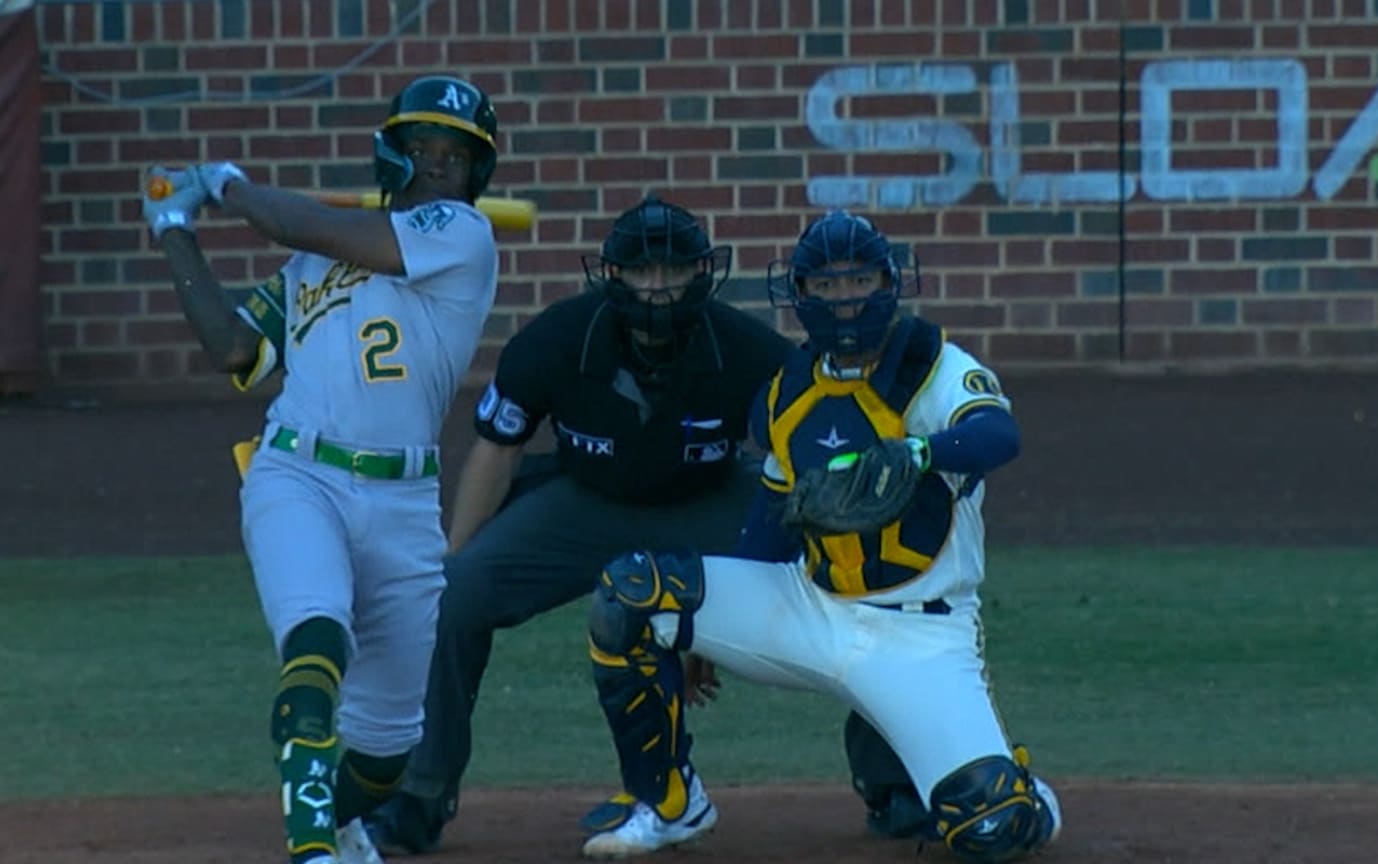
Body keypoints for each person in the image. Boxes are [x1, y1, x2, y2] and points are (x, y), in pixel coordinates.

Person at [576, 210, 1063, 861]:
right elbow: (772, 517)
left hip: (920, 632)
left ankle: (1026, 791)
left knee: (991, 827)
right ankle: (668, 803)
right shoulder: (789, 390)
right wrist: (704, 633)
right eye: (827, 284)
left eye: (858, 280)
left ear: (888, 283)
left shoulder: (932, 366)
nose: (844, 299)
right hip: (809, 607)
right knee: (633, 593)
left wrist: (917, 452)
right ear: (800, 293)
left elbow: (999, 436)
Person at [140, 75, 502, 864]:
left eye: (457, 154)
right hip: (297, 474)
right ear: (392, 155)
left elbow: (304, 224)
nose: (440, 164)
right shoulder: (315, 259)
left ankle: (333, 821)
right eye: (423, 147)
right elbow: (236, 351)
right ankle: (312, 851)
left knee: (387, 750)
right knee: (316, 642)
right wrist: (173, 227)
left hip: (405, 499)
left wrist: (229, 185)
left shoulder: (463, 236)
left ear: (478, 172)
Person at [362, 194, 793, 854]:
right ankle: (421, 793)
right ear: (612, 275)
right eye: (641, 270)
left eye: (673, 269)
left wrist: (716, 620)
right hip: (587, 502)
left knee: (848, 577)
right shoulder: (558, 338)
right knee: (455, 597)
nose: (657, 286)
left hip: (706, 504)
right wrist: (453, 561)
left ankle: (899, 787)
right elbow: (498, 449)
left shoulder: (747, 348)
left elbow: (786, 467)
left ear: (701, 273)